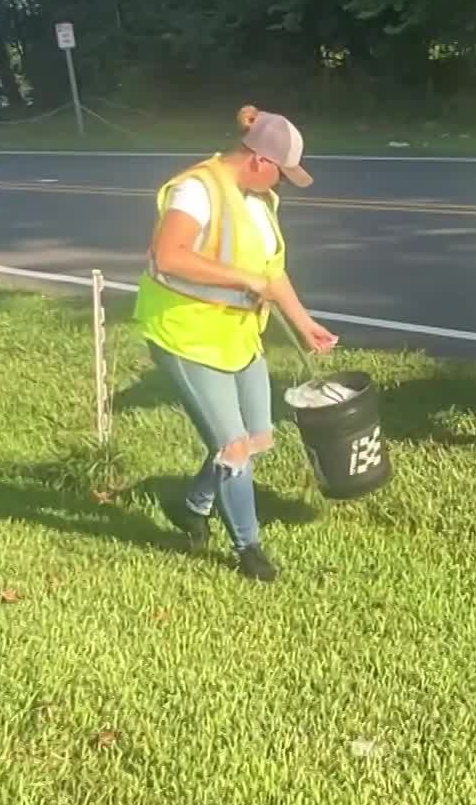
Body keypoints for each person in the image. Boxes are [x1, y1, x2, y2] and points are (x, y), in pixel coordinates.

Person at [133, 106, 338, 582]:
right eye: (282, 174)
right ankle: (249, 549)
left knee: (258, 437)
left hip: (238, 335)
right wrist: (244, 279)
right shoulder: (196, 190)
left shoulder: (258, 200)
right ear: (259, 161)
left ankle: (192, 505)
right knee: (233, 448)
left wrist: (304, 323)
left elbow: (272, 271)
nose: (282, 184)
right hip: (185, 335)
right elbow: (168, 256)